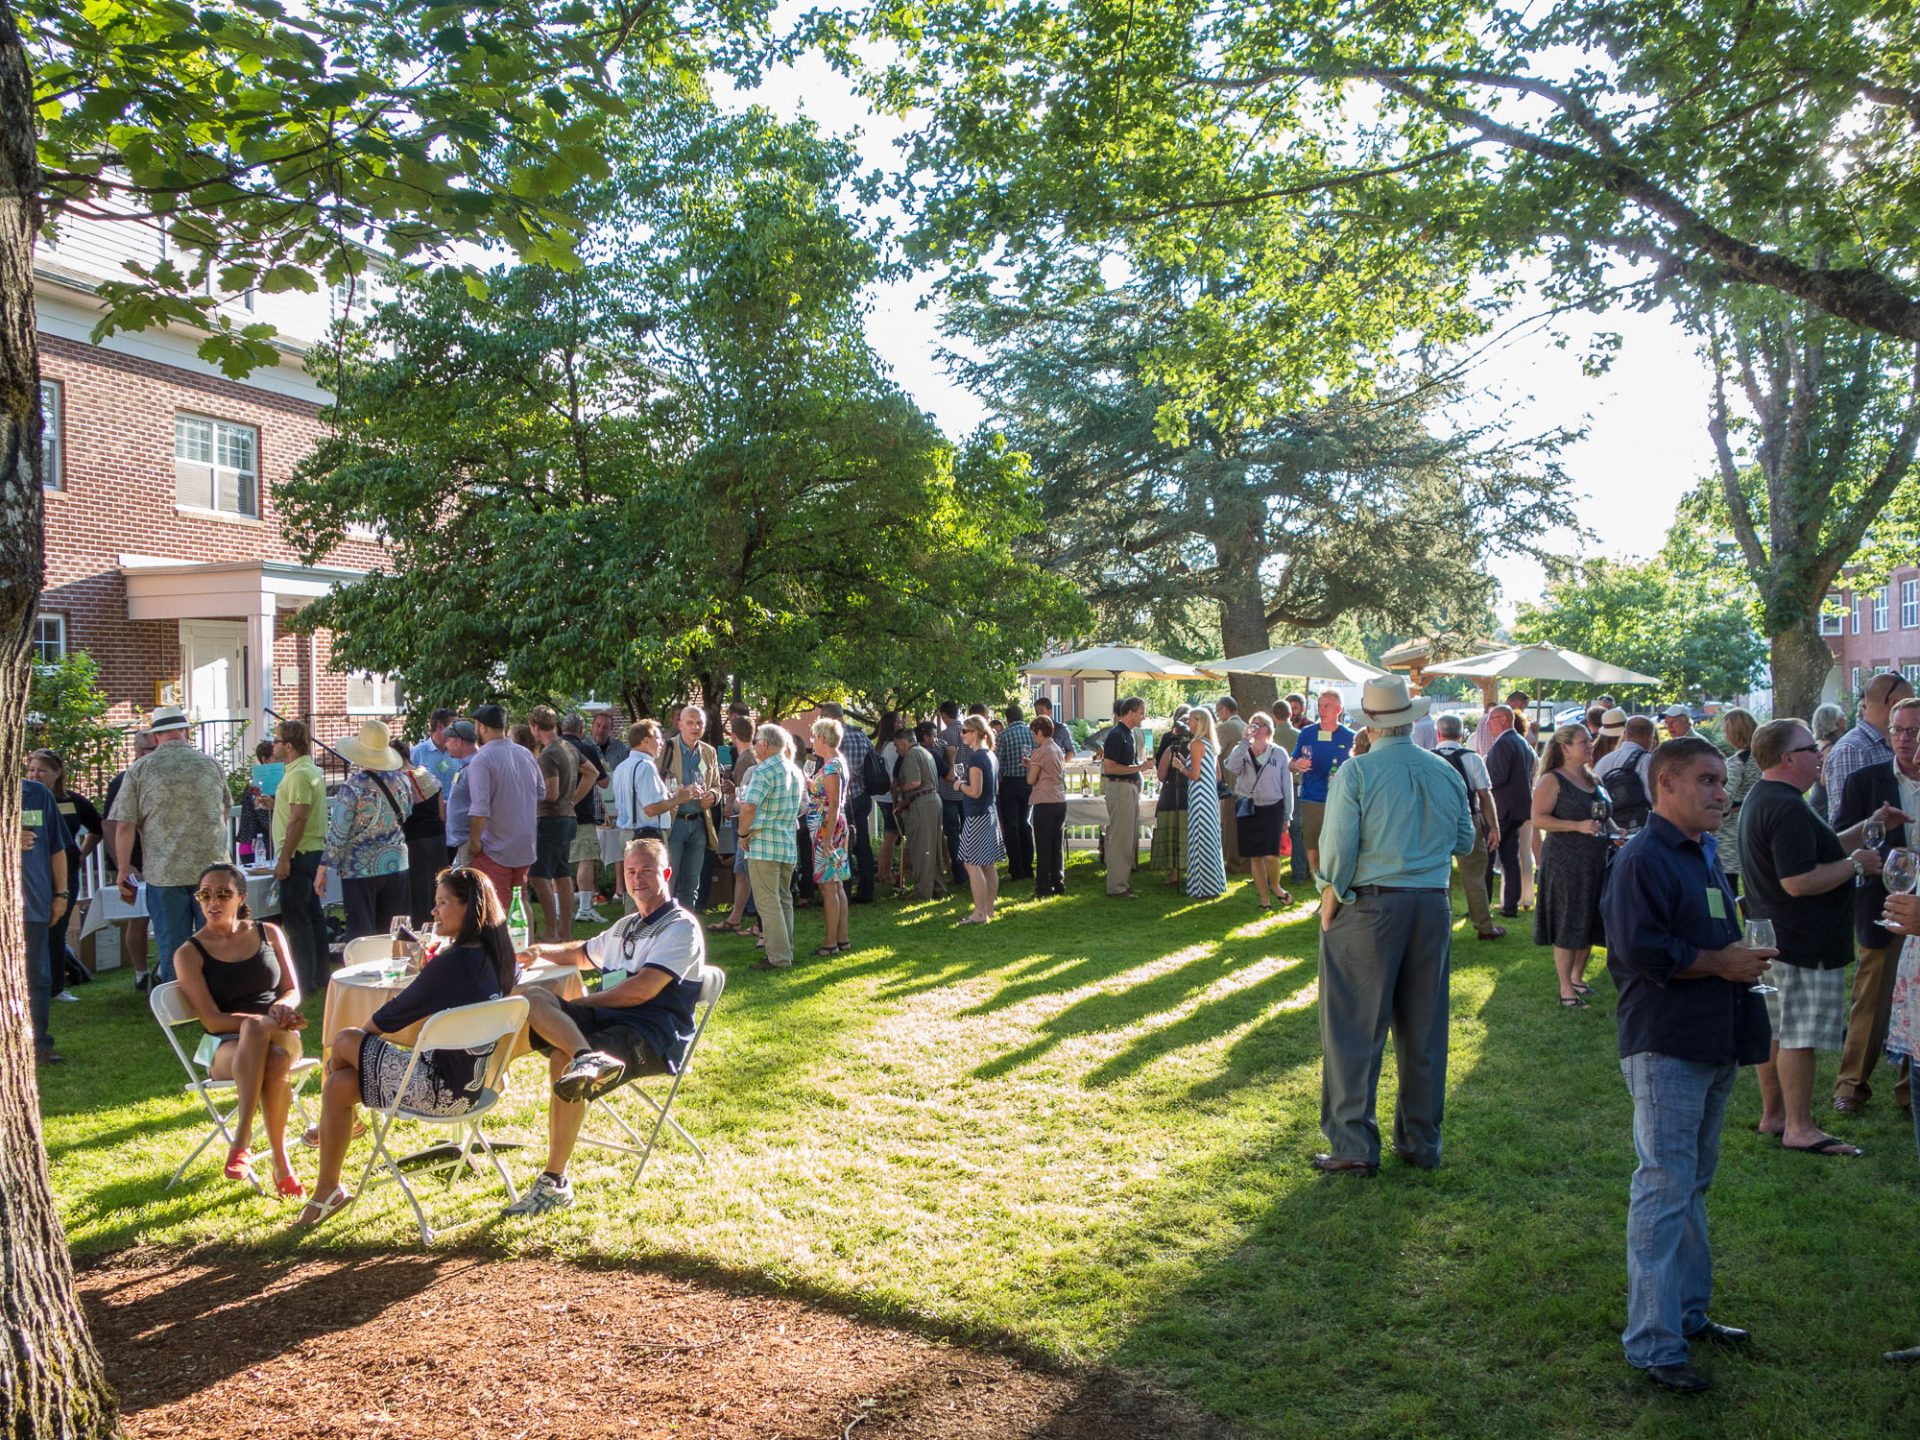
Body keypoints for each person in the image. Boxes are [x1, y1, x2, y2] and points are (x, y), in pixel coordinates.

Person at [1600, 736, 1776, 1394]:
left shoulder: (1701, 849)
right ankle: (1653, 1343)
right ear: (1664, 785)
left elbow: (1702, 930)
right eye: (1704, 781)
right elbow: (1636, 949)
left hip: (1713, 1033)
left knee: (1693, 1182)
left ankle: (1688, 1314)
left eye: (1719, 781)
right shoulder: (1642, 857)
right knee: (1664, 1186)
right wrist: (1720, 962)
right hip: (1666, 1039)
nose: (1719, 791)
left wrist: (1738, 955)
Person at [1311, 676, 1475, 1176]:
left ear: (1371, 722)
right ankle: (1421, 1141)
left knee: (1354, 1029)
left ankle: (1353, 1145)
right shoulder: (1444, 770)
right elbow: (1466, 841)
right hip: (1431, 904)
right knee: (1424, 1029)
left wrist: (1328, 896)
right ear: (1410, 717)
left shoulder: (1357, 772)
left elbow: (1338, 849)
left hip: (1372, 907)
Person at [293, 865, 516, 1227]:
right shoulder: (499, 957)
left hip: (438, 1091)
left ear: (469, 907)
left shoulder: (452, 962)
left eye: (443, 902)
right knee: (339, 1087)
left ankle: (338, 1129)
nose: (434, 911)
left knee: (345, 1039)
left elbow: (390, 1017)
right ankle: (327, 1191)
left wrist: (348, 1053)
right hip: (473, 1088)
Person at [504, 836, 710, 1216]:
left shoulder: (681, 927)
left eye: (647, 870)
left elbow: (640, 991)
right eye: (630, 871)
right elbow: (582, 953)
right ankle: (489, 1078)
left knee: (561, 1061)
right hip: (609, 1021)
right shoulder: (628, 925)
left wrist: (574, 1006)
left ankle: (554, 1182)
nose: (637, 879)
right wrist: (537, 951)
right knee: (530, 998)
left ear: (665, 873)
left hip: (651, 1034)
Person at [1740, 717, 1896, 1156]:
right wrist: (1858, 865)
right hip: (1802, 941)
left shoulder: (1768, 796)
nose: (1820, 755)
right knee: (1798, 1037)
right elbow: (1799, 880)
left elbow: (1823, 844)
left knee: (1775, 1032)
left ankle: (1775, 1117)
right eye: (1812, 749)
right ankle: (1800, 1127)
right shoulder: (1787, 806)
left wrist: (1870, 824)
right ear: (1788, 758)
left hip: (1773, 937)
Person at [172, 861, 307, 1195]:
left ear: (241, 897)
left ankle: (241, 1140)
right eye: (204, 894)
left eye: (223, 894)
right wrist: (259, 1023)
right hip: (222, 1045)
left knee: (262, 1034)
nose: (212, 901)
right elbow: (212, 1020)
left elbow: (294, 991)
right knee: (271, 1056)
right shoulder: (189, 953)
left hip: (279, 1029)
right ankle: (282, 1165)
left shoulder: (269, 933)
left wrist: (282, 1008)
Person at [1830, 694, 1920, 1115]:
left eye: (1914, 731)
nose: (1905, 739)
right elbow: (1838, 840)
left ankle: (1909, 1089)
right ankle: (1851, 1085)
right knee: (1872, 996)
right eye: (1898, 730)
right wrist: (1875, 836)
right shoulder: (1866, 781)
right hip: (1883, 903)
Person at [107, 704, 229, 986]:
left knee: (174, 945)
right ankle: (221, 997)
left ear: (156, 736)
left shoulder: (140, 769)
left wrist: (124, 868)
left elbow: (124, 824)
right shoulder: (210, 764)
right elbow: (223, 812)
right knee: (217, 938)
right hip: (212, 869)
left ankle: (180, 1003)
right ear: (185, 732)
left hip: (165, 872)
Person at [1532, 724, 1612, 1007]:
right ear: (1565, 748)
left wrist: (1617, 832)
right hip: (1566, 862)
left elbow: (1603, 817)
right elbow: (1539, 818)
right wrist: (1577, 826)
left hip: (1595, 861)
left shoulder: (1593, 778)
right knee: (1569, 921)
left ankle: (1578, 977)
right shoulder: (1552, 780)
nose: (1590, 746)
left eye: (1590, 741)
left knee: (1589, 918)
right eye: (1583, 742)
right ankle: (1566, 988)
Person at [320, 720, 414, 942]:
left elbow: (339, 832)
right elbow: (407, 813)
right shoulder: (402, 781)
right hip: (396, 862)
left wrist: (324, 866)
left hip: (359, 868)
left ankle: (366, 973)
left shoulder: (352, 787)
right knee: (394, 932)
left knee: (363, 934)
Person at [27, 749, 101, 1008]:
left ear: (57, 773)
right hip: (33, 877)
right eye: (32, 770)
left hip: (65, 875)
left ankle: (56, 987)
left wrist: (81, 854)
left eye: (42, 770)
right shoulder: (25, 800)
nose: (35, 775)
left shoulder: (73, 801)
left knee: (56, 930)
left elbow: (97, 828)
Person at [464, 703, 544, 913]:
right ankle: (528, 945)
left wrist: (473, 843)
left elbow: (479, 809)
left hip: (495, 846)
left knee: (495, 907)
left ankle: (503, 946)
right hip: (524, 843)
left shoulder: (482, 759)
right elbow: (541, 793)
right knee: (521, 900)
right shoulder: (525, 754)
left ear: (481, 727)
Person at [738, 723, 805, 970]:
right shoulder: (794, 770)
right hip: (787, 843)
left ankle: (778, 957)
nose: (754, 746)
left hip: (764, 843)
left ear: (765, 744)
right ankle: (785, 951)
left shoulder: (764, 770)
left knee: (768, 902)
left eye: (756, 741)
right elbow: (801, 808)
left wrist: (742, 832)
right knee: (784, 899)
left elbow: (748, 807)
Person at [1433, 714, 1504, 941]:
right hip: (1467, 819)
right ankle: (1484, 926)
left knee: (1439, 876)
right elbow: (1485, 795)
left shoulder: (1428, 758)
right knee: (1474, 875)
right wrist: (1493, 827)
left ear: (1439, 733)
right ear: (1462, 734)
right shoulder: (1472, 758)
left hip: (1436, 822)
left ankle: (1441, 926)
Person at [21, 771, 72, 1064]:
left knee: (38, 977)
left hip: (34, 904)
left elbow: (56, 847)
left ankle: (39, 1045)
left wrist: (61, 894)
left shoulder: (38, 794)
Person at [101, 728, 157, 991]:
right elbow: (111, 825)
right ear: (139, 752)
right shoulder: (122, 781)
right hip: (131, 860)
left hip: (160, 859)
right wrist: (123, 863)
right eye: (151, 750)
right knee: (138, 917)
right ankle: (140, 973)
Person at [1225, 711, 1295, 910]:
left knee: (1272, 855)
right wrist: (1244, 743)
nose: (1256, 727)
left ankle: (1276, 887)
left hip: (1272, 808)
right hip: (1248, 806)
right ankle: (1264, 899)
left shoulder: (1279, 752)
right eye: (1253, 724)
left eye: (1260, 724)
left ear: (1269, 729)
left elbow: (1286, 784)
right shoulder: (1243, 749)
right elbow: (1231, 766)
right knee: (1255, 856)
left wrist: (1287, 814)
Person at [656, 705, 721, 912]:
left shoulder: (709, 752)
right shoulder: (666, 749)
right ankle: (664, 926)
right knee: (669, 880)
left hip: (699, 823)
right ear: (679, 724)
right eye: (690, 722)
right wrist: (678, 794)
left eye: (699, 723)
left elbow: (716, 787)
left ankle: (686, 928)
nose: (695, 727)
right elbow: (655, 785)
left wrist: (713, 796)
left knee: (692, 884)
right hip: (675, 823)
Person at [527, 706, 581, 943]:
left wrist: (527, 794)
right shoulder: (569, 747)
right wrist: (573, 799)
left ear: (535, 727)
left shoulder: (548, 754)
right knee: (562, 874)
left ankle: (551, 931)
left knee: (539, 876)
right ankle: (565, 931)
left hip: (550, 819)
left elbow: (551, 792)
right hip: (568, 817)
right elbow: (590, 772)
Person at [1290, 690, 1355, 877]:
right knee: (1312, 844)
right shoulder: (1307, 733)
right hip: (1312, 798)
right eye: (1320, 705)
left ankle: (1336, 878)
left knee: (1338, 845)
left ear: (1339, 709)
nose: (1322, 709)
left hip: (1342, 799)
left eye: (1327, 705)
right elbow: (1290, 763)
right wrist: (1297, 764)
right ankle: (1317, 878)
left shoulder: (1350, 736)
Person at [1481, 705, 1536, 920]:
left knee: (1486, 858)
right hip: (1517, 810)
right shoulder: (1522, 742)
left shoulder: (1504, 743)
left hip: (1501, 811)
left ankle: (1482, 905)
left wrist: (1484, 767)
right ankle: (1509, 906)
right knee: (1509, 858)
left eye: (1491, 719)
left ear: (1504, 719)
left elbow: (1497, 777)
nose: (1488, 723)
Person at [818, 703, 875, 905]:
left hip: (842, 799)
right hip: (862, 795)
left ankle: (844, 889)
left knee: (842, 845)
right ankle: (868, 889)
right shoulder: (862, 736)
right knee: (863, 845)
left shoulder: (835, 742)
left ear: (828, 717)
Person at [804, 716, 852, 955]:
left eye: (814, 737)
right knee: (837, 884)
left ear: (822, 739)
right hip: (830, 826)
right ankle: (842, 939)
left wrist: (826, 839)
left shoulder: (832, 765)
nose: (812, 741)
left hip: (827, 828)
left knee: (828, 886)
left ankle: (830, 943)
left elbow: (833, 803)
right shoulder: (835, 762)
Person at [955, 714, 1005, 923]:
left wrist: (960, 786)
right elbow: (995, 788)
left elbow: (975, 791)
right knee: (987, 864)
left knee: (971, 863)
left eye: (965, 731)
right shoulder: (990, 755)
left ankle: (979, 913)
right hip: (990, 813)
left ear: (976, 733)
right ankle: (988, 909)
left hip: (977, 816)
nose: (962, 735)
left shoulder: (976, 757)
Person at [1101, 697, 1152, 897]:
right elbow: (1109, 767)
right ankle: (1116, 887)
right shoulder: (1116, 734)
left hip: (1128, 788)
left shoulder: (1128, 734)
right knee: (1121, 838)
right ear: (1130, 712)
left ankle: (1122, 882)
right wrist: (1140, 767)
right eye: (1141, 712)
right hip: (1120, 788)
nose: (1144, 716)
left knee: (1128, 837)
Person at [560, 712, 607, 924]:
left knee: (557, 863)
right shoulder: (586, 749)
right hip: (583, 814)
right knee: (585, 859)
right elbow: (603, 781)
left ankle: (559, 909)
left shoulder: (551, 748)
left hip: (554, 814)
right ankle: (585, 908)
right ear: (581, 731)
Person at [896, 722, 948, 902]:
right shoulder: (926, 752)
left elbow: (914, 783)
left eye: (897, 746)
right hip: (933, 800)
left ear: (903, 743)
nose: (897, 751)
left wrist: (898, 788)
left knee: (922, 848)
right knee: (934, 849)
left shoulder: (911, 754)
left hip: (922, 804)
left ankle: (922, 892)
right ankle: (938, 888)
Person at [1714, 709, 1760, 898]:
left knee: (1726, 889)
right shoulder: (1761, 757)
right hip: (1754, 824)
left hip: (1730, 834)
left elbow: (1724, 797)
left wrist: (1722, 810)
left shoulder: (1736, 762)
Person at [1182, 707, 1226, 899]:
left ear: (1199, 722)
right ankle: (1213, 883)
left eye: (1191, 720)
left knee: (1200, 839)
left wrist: (1181, 767)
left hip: (1199, 796)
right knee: (1211, 838)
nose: (1188, 724)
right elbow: (1217, 774)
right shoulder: (1210, 744)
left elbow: (1195, 775)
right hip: (1210, 795)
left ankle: (1201, 887)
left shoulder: (1196, 744)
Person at [1026, 715, 1069, 898]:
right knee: (1056, 844)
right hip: (1060, 799)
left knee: (1043, 846)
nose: (1034, 738)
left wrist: (1029, 766)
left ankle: (1043, 886)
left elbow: (1031, 779)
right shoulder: (1057, 748)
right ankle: (1058, 882)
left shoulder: (1040, 751)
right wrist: (1033, 764)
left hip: (1044, 801)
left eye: (1035, 734)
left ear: (1040, 732)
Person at [1150, 705, 1193, 888]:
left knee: (1172, 833)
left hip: (1171, 794)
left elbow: (1160, 775)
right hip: (1189, 796)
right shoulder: (1197, 747)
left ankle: (1174, 873)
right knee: (1187, 834)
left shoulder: (1171, 749)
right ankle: (1191, 871)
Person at [994, 703, 1037, 883]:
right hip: (1028, 782)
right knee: (1025, 824)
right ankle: (1028, 866)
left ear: (1008, 718)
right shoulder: (1032, 733)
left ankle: (1016, 868)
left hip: (1009, 784)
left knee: (1011, 826)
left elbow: (999, 763)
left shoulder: (1003, 736)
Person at [1214, 697, 1248, 876]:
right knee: (1243, 826)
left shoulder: (1227, 727)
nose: (1218, 716)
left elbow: (1213, 752)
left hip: (1231, 785)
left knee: (1231, 828)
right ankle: (1245, 863)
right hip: (1246, 785)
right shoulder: (1245, 725)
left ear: (1225, 710)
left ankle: (1234, 864)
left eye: (1218, 711)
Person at [440, 720, 480, 864]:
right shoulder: (468, 765)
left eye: (448, 740)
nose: (446, 744)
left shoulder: (475, 766)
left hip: (469, 841)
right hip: (463, 841)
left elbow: (480, 804)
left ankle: (518, 889)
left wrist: (474, 840)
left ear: (458, 741)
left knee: (469, 884)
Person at [936, 701, 967, 885]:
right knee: (969, 833)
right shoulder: (969, 733)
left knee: (953, 835)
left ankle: (959, 873)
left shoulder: (943, 736)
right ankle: (973, 870)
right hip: (969, 790)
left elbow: (941, 766)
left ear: (944, 715)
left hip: (949, 792)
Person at [1808, 702, 1849, 819]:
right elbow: (1825, 780)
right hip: (1824, 804)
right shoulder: (1830, 748)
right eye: (1842, 715)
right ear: (1834, 721)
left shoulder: (1819, 743)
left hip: (1818, 800)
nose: (1845, 718)